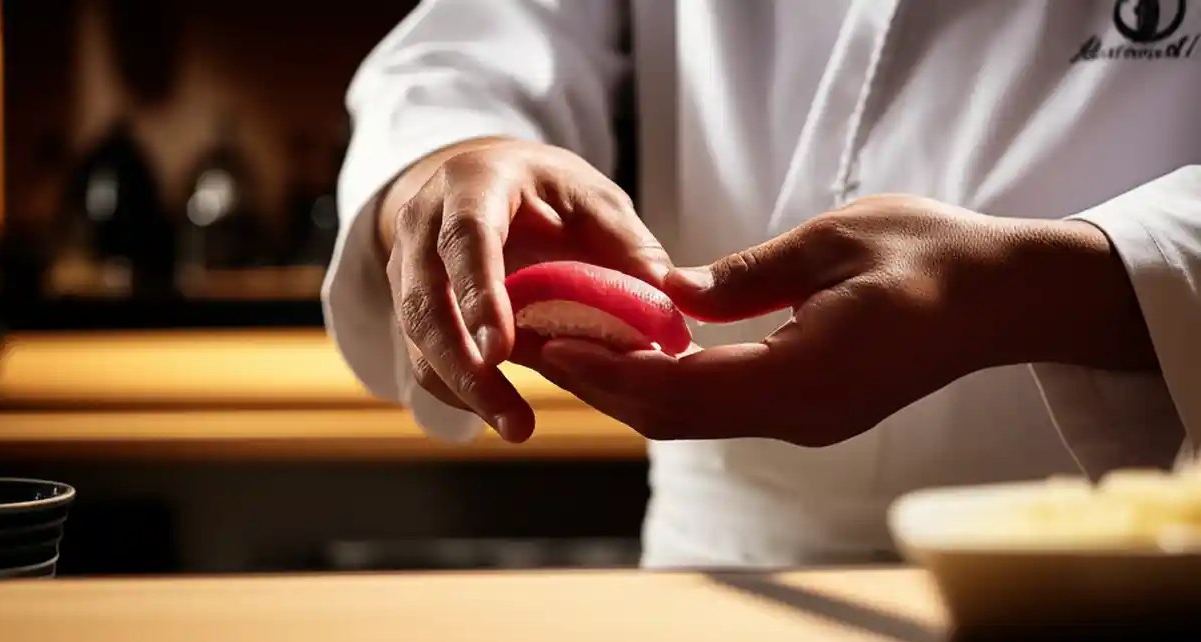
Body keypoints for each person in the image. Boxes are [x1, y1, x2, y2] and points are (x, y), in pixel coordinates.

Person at [322, 1, 1199, 568]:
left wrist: (1037, 287)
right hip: (719, 581)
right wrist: (451, 160)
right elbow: (473, 45)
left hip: (1132, 573)